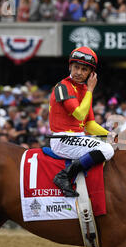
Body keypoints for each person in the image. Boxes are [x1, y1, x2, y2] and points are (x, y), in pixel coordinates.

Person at [49, 46, 114, 197]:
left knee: (112, 145)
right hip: (62, 139)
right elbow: (79, 114)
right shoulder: (62, 86)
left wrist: (111, 135)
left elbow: (89, 124)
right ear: (70, 66)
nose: (79, 72)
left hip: (77, 138)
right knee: (107, 150)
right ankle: (64, 175)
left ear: (91, 73)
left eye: (84, 69)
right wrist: (91, 90)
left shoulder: (84, 91)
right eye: (76, 67)